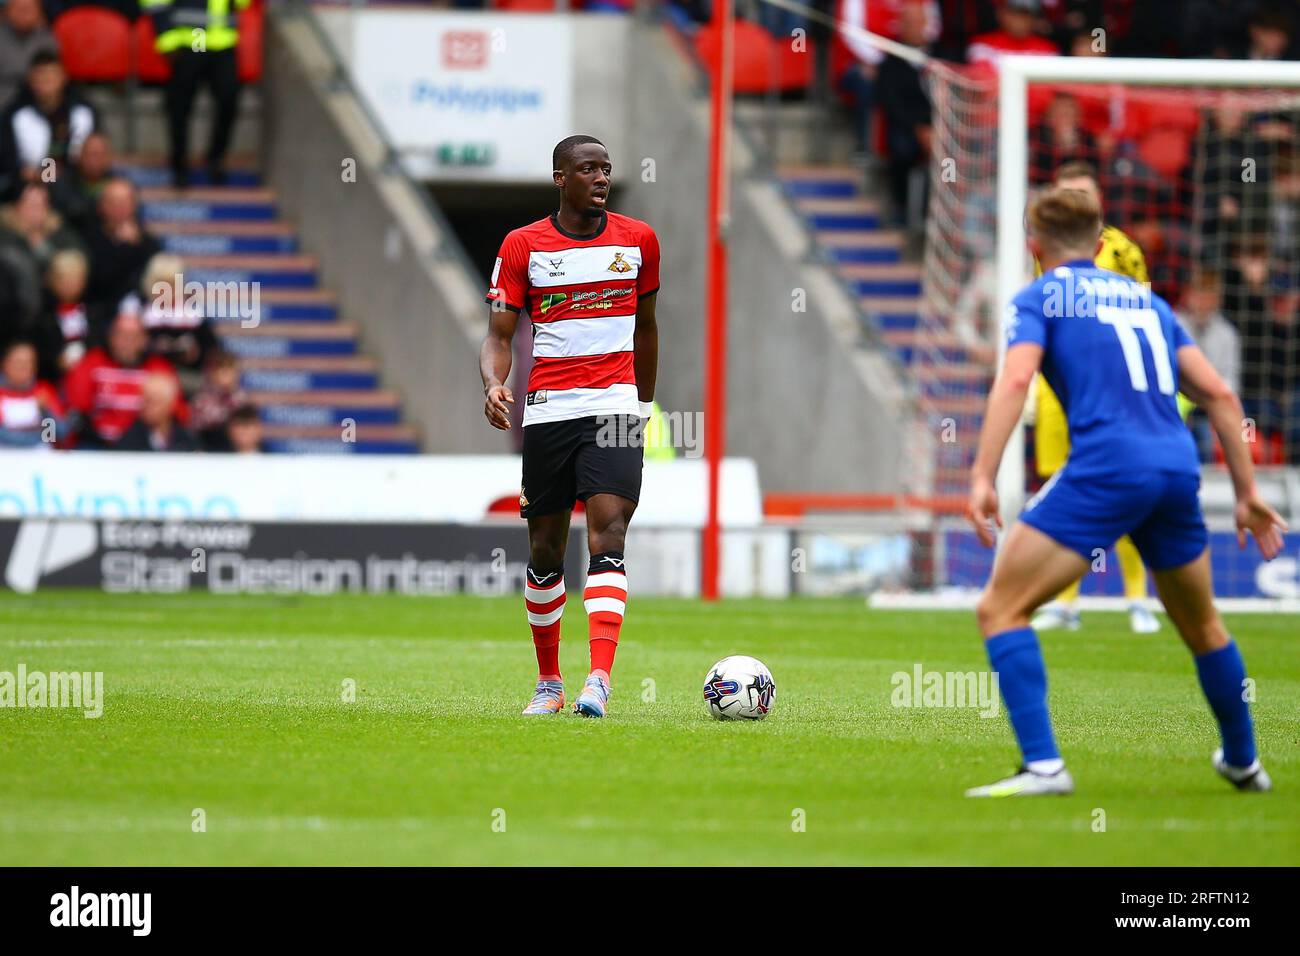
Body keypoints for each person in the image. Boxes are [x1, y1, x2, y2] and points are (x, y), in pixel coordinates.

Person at [964, 187, 1284, 797]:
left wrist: (983, 474)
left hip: (1107, 466)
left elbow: (1016, 376)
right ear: (1099, 242)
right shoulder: (1150, 302)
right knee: (1204, 625)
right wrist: (1246, 493)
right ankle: (1244, 761)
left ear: (1035, 245)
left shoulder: (1038, 297)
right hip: (1175, 467)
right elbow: (1219, 394)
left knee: (999, 609)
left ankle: (1044, 767)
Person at [481, 134, 660, 718]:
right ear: (561, 178)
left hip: (615, 408)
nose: (601, 178)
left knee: (610, 534)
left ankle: (599, 680)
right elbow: (498, 335)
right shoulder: (522, 245)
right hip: (550, 410)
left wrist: (642, 407)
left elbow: (647, 329)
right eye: (588, 169)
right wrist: (494, 383)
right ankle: (549, 683)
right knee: (546, 551)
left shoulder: (639, 240)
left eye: (606, 169)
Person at [1029, 162, 1160, 634]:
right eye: (1065, 194)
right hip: (1057, 392)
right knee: (1062, 491)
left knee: (1121, 488)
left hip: (1111, 392)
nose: (1073, 203)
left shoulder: (1124, 251)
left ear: (1099, 200)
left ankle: (1137, 599)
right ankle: (1065, 603)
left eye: (1081, 194)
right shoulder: (1044, 252)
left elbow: (1146, 317)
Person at [141, 0, 251, 187]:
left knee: (229, 100)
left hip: (223, 41)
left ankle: (215, 159)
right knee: (180, 106)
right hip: (194, 38)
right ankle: (179, 165)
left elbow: (242, 4)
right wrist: (167, 40)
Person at [63, 309, 186, 446]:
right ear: (111, 337)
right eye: (121, 336)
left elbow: (178, 412)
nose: (127, 343)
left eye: (133, 337)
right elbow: (76, 409)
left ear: (144, 339)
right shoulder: (91, 364)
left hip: (144, 447)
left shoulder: (159, 368)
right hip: (97, 446)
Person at [5, 50, 95, 186]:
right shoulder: (15, 115)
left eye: (50, 76)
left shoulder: (83, 113)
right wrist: (26, 173)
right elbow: (7, 157)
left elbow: (96, 151)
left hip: (77, 182)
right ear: (30, 79)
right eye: (40, 76)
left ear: (63, 77)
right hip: (28, 184)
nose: (45, 81)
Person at [0, 337, 65, 447]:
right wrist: (34, 438)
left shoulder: (44, 391)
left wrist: (45, 412)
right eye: (18, 362)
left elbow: (57, 435)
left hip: (38, 454)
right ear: (4, 364)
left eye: (29, 362)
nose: (23, 367)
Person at [114, 372, 198, 451]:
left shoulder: (185, 439)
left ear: (169, 404)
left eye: (154, 402)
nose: (147, 407)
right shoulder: (130, 439)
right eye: (145, 401)